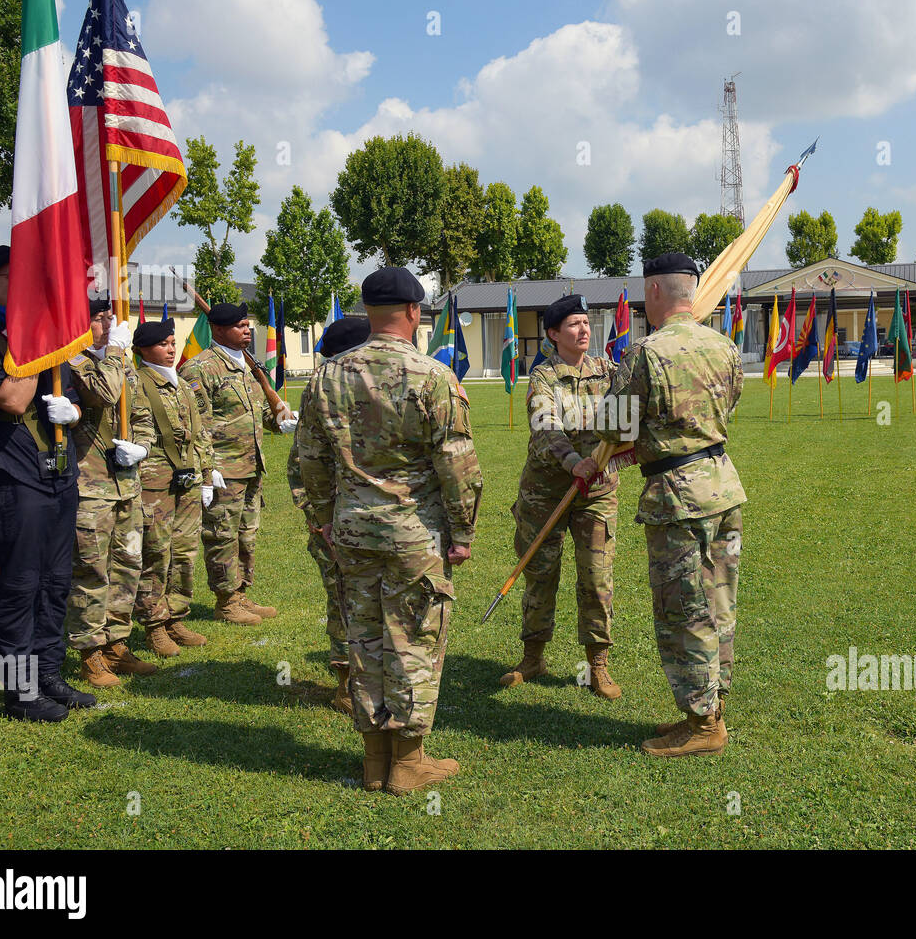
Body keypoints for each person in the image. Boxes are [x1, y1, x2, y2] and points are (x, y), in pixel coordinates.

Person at [299, 267, 481, 795]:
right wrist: (462, 532)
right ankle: (407, 763)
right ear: (413, 313)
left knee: (366, 640)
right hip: (413, 534)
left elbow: (311, 461)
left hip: (352, 530)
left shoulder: (327, 376)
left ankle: (374, 760)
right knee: (414, 640)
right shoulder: (431, 376)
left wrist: (326, 519)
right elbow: (457, 465)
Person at [595, 253, 745, 757]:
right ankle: (707, 709)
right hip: (722, 485)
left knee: (684, 608)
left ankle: (704, 726)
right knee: (718, 603)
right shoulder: (723, 346)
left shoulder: (646, 353)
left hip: (678, 495)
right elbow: (729, 403)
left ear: (655, 291)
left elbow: (616, 425)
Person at [0, 244, 94, 721]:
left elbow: (72, 397)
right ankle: (21, 689)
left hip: (58, 473)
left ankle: (48, 673)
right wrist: (31, 345)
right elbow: (9, 399)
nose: (29, 288)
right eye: (17, 278)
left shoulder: (50, 340)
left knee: (55, 582)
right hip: (14, 478)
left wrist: (69, 411)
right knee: (19, 584)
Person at [499, 293, 621, 698]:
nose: (583, 330)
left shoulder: (608, 370)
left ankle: (597, 665)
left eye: (586, 323)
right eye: (573, 324)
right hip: (546, 493)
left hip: (597, 492)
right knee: (541, 574)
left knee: (596, 577)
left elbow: (632, 409)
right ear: (553, 334)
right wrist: (573, 461)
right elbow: (545, 425)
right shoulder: (543, 377)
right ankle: (533, 656)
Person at [180, 303, 297, 626]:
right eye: (240, 326)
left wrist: (279, 421)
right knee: (221, 535)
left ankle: (241, 592)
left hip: (250, 466)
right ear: (218, 330)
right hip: (223, 470)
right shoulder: (199, 369)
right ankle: (226, 601)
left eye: (248, 325)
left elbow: (253, 413)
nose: (247, 330)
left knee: (246, 534)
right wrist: (207, 468)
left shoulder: (243, 366)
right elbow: (195, 424)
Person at [63, 298, 158, 686]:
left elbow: (142, 415)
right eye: (97, 317)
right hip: (91, 486)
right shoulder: (73, 363)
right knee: (91, 569)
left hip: (127, 484)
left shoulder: (123, 365)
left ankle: (116, 642)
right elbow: (104, 393)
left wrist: (144, 446)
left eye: (109, 317)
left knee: (127, 566)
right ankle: (90, 652)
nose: (106, 323)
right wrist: (116, 350)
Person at [286, 315, 373, 716]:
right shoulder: (322, 392)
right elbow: (302, 464)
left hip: (380, 521)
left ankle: (374, 677)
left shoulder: (382, 389)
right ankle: (344, 683)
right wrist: (318, 518)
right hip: (335, 521)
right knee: (343, 600)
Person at [131, 318, 212, 656]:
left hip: (188, 476)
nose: (170, 348)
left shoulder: (179, 383)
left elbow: (200, 429)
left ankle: (176, 615)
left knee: (184, 550)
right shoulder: (136, 383)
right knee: (156, 551)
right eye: (162, 344)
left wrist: (207, 472)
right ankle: (154, 624)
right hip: (154, 480)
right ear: (142, 349)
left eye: (171, 342)